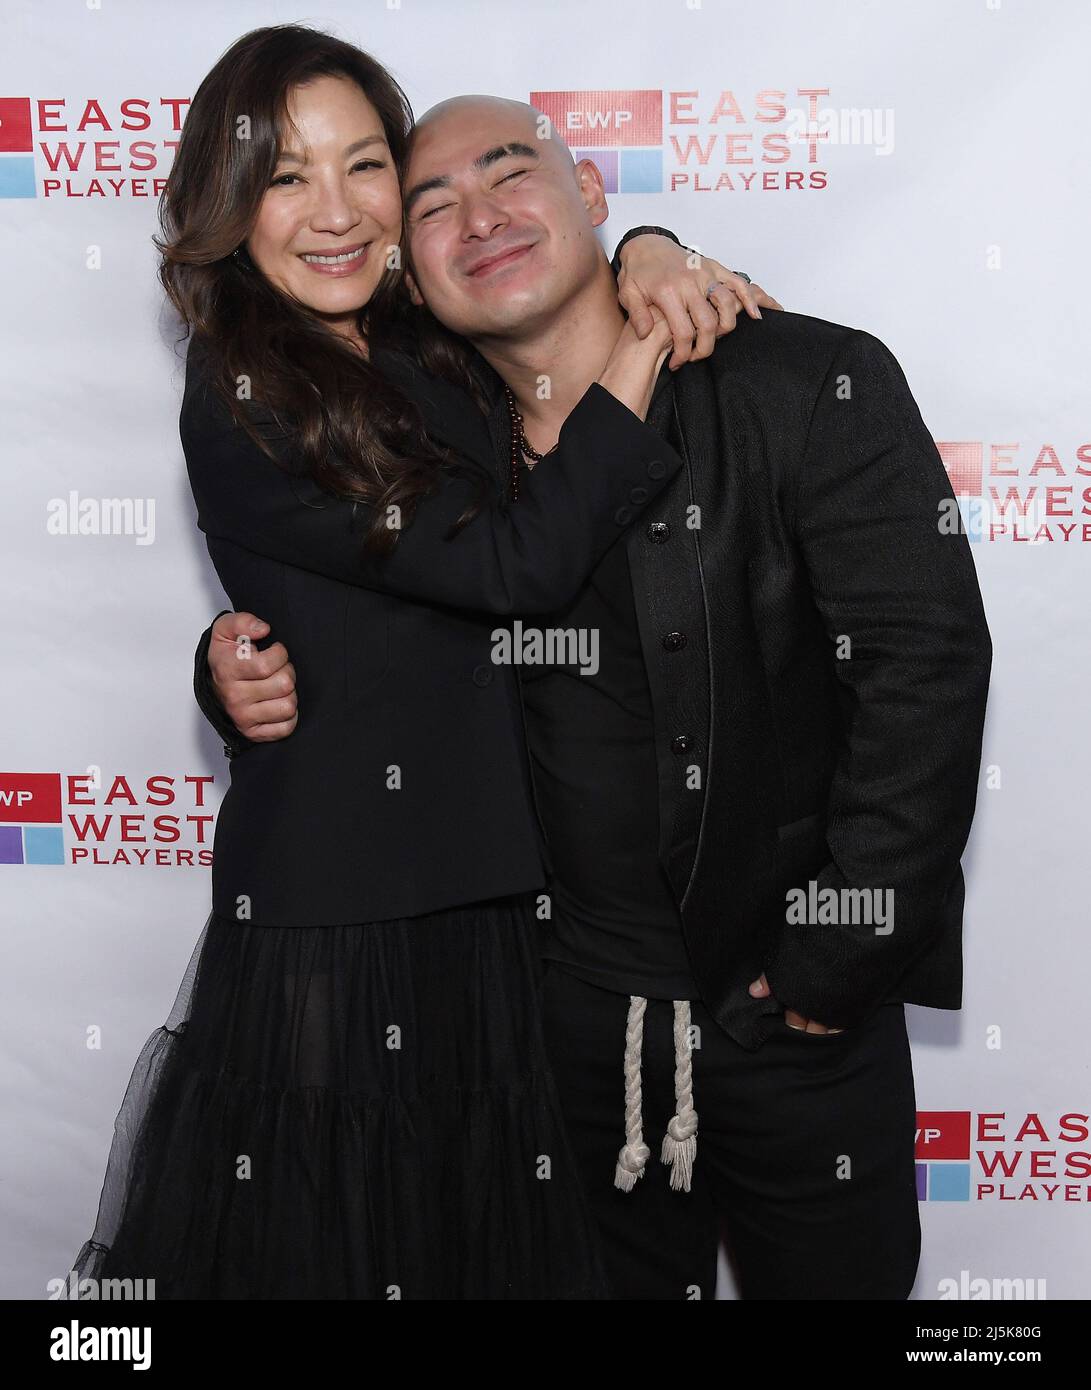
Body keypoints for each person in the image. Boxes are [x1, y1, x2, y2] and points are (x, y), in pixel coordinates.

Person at [202, 95, 993, 1300]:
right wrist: (223, 658)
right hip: (539, 1038)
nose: (479, 217)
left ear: (591, 195)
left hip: (780, 1022)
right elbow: (350, 608)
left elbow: (923, 664)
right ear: (407, 270)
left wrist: (837, 954)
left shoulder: (800, 380)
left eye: (510, 173)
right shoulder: (424, 432)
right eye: (431, 205)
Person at [64, 26, 778, 1301]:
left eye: (362, 165)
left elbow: (531, 288)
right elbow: (506, 569)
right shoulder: (243, 388)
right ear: (229, 207)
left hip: (491, 903)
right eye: (284, 177)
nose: (333, 213)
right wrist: (639, 349)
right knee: (321, 1248)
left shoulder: (418, 341)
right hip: (342, 914)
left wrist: (642, 253)